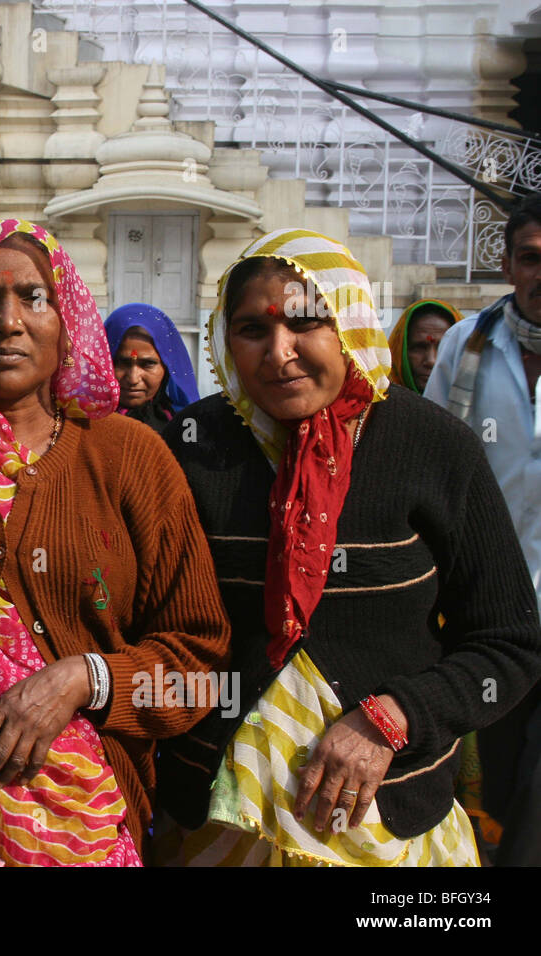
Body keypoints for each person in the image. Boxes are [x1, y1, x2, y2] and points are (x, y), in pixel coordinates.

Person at [154, 228, 541, 867]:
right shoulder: (195, 445)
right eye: (252, 329)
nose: (280, 353)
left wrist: (396, 716)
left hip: (390, 826)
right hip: (213, 832)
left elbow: (510, 643)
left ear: (351, 322)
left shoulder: (433, 447)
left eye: (306, 322)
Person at [0, 220, 230, 866]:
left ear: (67, 318)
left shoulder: (129, 456)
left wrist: (85, 678)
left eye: (34, 298)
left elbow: (198, 663)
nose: (8, 322)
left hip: (93, 827)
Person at [425, 193, 541, 866]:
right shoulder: (466, 349)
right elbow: (434, 466)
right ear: (508, 264)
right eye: (531, 258)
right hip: (493, 615)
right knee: (499, 778)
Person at [103, 303, 200, 433]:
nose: (133, 379)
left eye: (148, 364)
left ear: (167, 367)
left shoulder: (184, 428)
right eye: (122, 363)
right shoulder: (83, 424)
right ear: (103, 363)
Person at [388, 299, 462, 394]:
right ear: (399, 352)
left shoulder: (472, 400)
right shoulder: (377, 399)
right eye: (419, 348)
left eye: (443, 348)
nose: (431, 361)